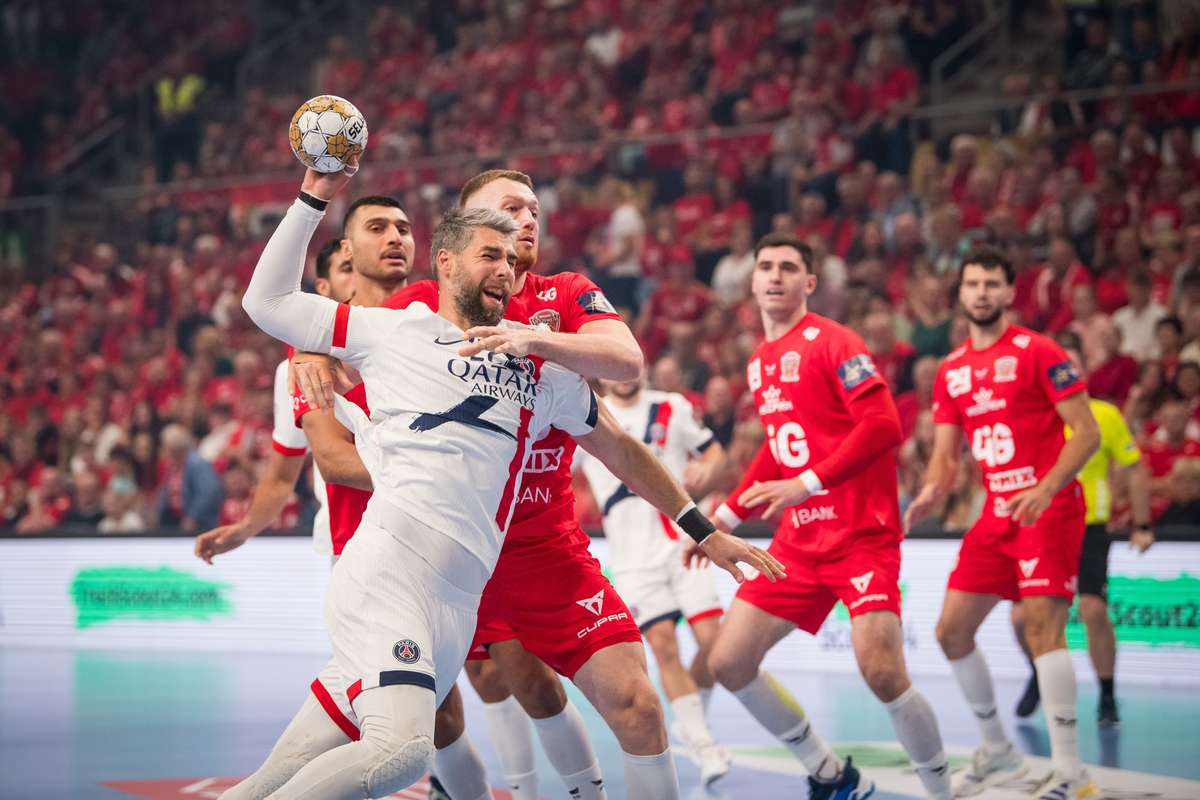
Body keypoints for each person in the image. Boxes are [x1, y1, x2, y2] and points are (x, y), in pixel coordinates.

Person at [238, 163, 783, 799]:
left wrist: (703, 529)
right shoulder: (402, 323)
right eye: (489, 248)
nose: (508, 257)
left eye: (518, 237)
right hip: (393, 570)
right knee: (403, 750)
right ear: (444, 261)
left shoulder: (544, 357)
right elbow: (274, 307)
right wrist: (314, 206)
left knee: (293, 767)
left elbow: (620, 444)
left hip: (471, 584)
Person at [703, 233, 952, 800]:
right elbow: (780, 445)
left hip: (862, 535)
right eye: (765, 266)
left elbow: (885, 425)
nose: (774, 276)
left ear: (809, 283)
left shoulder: (833, 341)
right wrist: (724, 519)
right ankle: (829, 774)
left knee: (882, 671)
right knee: (729, 662)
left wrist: (807, 482)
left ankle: (941, 794)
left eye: (788, 268)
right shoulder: (760, 360)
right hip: (798, 543)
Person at [906, 245, 1101, 799]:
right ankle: (997, 751)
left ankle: (1071, 773)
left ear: (1010, 292)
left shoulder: (1041, 351)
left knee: (1042, 628)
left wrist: (1046, 487)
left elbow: (1086, 432)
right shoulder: (951, 370)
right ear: (961, 294)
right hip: (994, 512)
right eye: (973, 284)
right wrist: (930, 490)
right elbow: (947, 457)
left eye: (992, 283)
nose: (982, 293)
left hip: (1048, 506)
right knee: (951, 631)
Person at [573, 371, 731, 787]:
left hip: (684, 544)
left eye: (628, 368)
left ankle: (691, 715)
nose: (623, 377)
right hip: (632, 558)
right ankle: (702, 743)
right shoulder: (583, 413)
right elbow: (557, 471)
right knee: (663, 649)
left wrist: (707, 472)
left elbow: (715, 455)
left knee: (715, 645)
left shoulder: (671, 406)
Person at [1010, 331, 1153, 728]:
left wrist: (1142, 524)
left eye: (1069, 365)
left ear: (1082, 370)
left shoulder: (1104, 415)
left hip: (1088, 524)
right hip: (1038, 524)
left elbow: (1135, 471)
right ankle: (1040, 673)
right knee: (1020, 618)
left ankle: (1107, 695)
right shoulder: (1036, 412)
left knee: (1092, 609)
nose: (1062, 373)